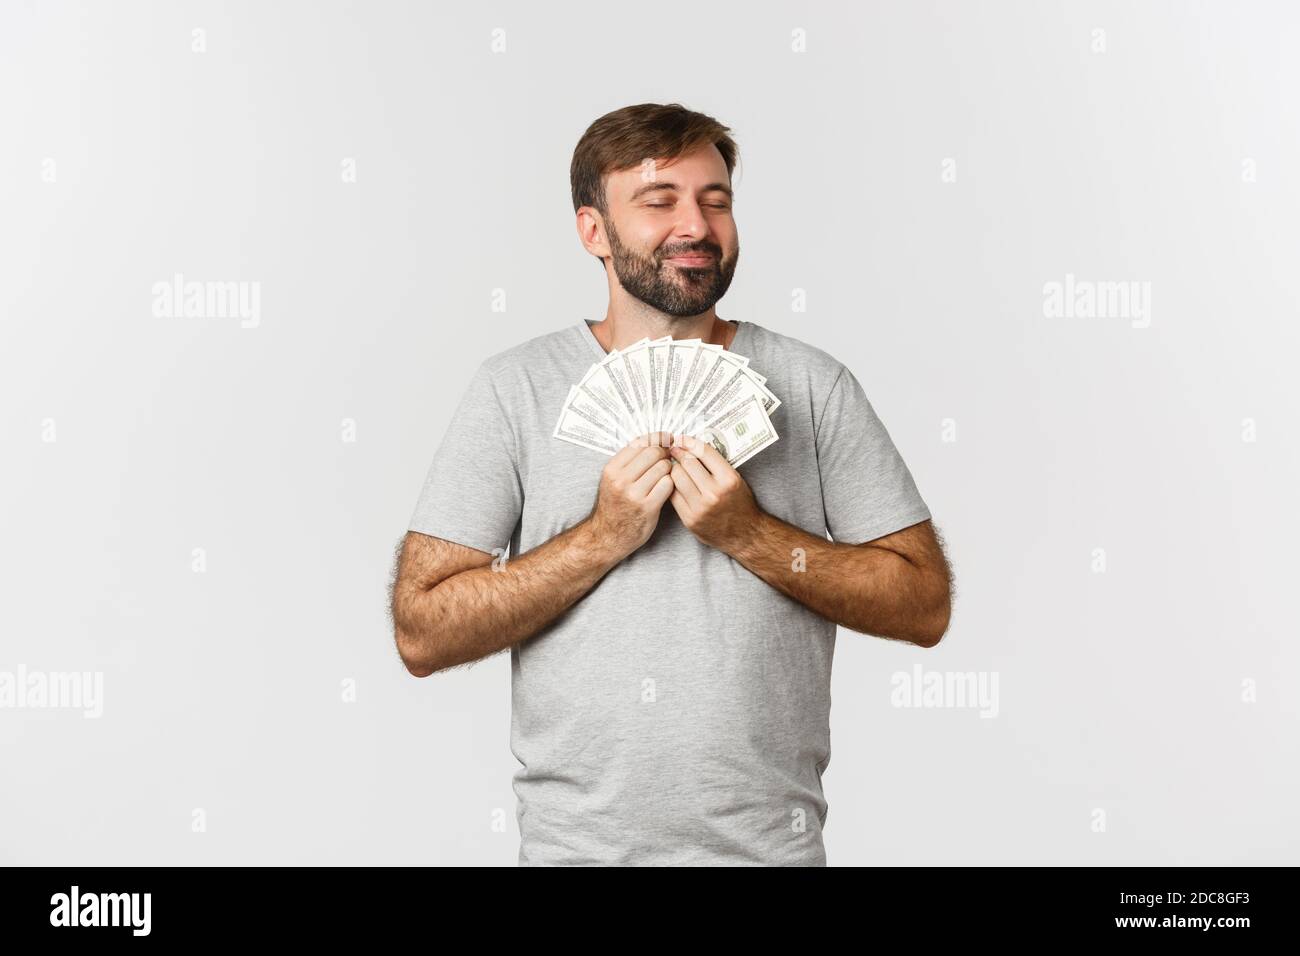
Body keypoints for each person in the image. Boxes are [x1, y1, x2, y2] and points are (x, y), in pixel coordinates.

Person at [390, 103, 953, 866]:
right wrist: (601, 538)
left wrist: (750, 535)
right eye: (660, 201)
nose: (696, 225)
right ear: (594, 231)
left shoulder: (815, 386)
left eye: (715, 201)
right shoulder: (513, 389)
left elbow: (922, 604)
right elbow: (423, 631)